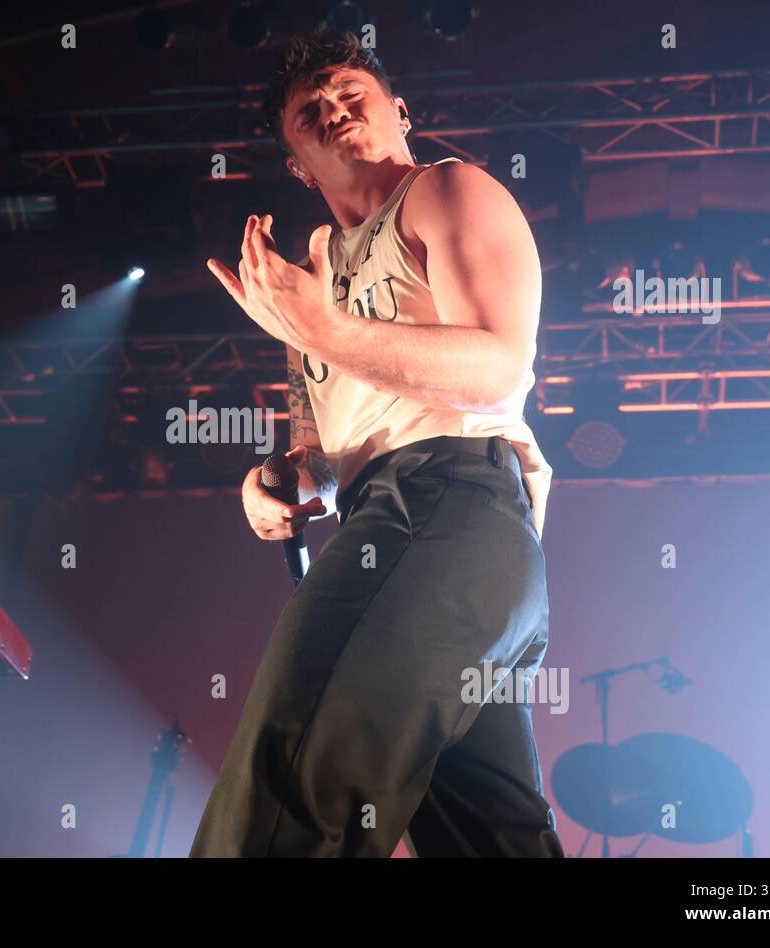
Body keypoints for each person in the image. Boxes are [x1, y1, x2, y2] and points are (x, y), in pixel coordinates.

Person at [190, 28, 563, 857]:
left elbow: (499, 364)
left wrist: (328, 327)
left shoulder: (445, 190)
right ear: (296, 164)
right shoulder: (313, 281)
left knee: (296, 766)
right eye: (306, 112)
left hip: (453, 503)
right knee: (490, 836)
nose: (331, 109)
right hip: (427, 544)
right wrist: (277, 480)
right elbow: (325, 458)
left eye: (346, 89)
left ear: (398, 110)